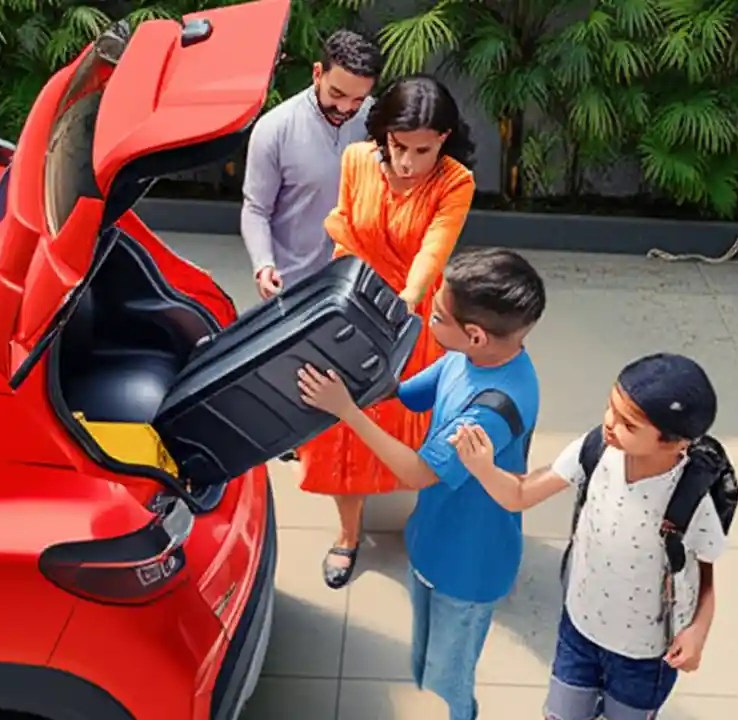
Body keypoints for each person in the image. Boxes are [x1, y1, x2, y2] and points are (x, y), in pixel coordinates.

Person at [297, 248, 547, 720]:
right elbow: (407, 395)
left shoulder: (494, 407)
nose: (427, 319)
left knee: (446, 680)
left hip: (470, 565)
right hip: (432, 540)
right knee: (424, 661)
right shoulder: (468, 359)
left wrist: (345, 411)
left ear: (475, 334)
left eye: (437, 316)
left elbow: (417, 472)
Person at [450, 353, 728, 720]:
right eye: (610, 407)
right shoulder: (595, 450)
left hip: (645, 657)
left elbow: (705, 575)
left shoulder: (691, 500)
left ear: (674, 443)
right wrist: (483, 468)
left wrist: (697, 632)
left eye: (628, 424)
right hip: (578, 631)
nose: (609, 423)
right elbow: (520, 494)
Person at [298, 73, 478, 590]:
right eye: (398, 146)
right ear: (383, 135)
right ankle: (348, 533)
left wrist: (405, 303)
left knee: (421, 427)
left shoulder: (455, 182)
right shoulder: (356, 159)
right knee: (340, 428)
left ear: (443, 139)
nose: (406, 162)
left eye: (422, 150)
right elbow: (344, 228)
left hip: (412, 316)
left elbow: (434, 250)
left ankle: (428, 524)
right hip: (353, 299)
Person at [239, 29, 383, 300]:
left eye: (357, 100)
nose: (344, 108)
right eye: (336, 93)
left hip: (355, 282)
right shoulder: (274, 129)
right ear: (318, 73)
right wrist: (263, 265)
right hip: (292, 285)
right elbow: (256, 209)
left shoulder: (372, 118)